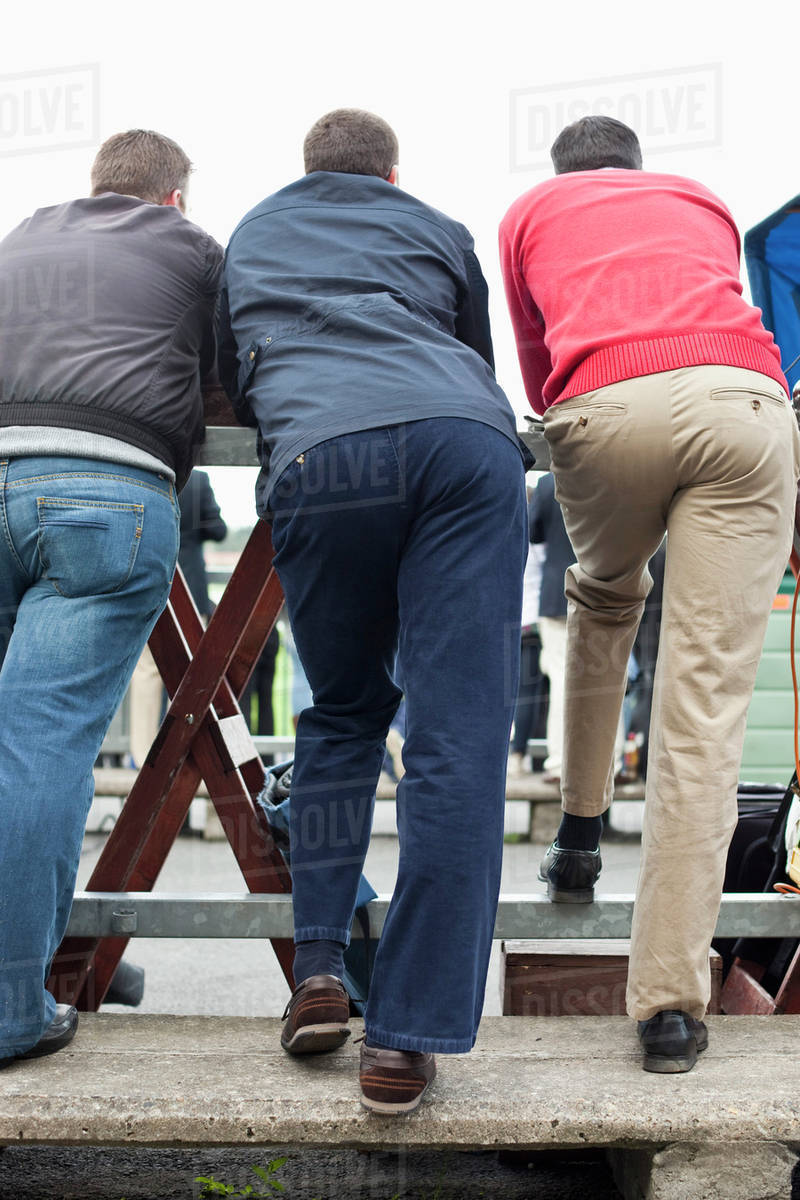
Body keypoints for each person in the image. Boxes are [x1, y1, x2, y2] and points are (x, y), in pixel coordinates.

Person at [219, 108, 528, 1112]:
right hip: (458, 445)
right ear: (391, 175)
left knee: (342, 715)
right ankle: (404, 1038)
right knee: (456, 737)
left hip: (322, 455)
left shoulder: (252, 233)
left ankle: (317, 968)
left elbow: (231, 382)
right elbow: (472, 354)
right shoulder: (434, 225)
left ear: (305, 169)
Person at [499, 115, 800, 1073]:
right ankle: (668, 1008)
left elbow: (538, 362)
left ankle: (579, 833)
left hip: (608, 406)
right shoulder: (702, 200)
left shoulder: (530, 211)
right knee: (703, 710)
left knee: (603, 598)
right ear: (636, 167)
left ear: (564, 172)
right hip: (746, 405)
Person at [0, 129, 222, 1066]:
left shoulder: (20, 239)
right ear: (172, 198)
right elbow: (231, 382)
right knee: (39, 746)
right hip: (106, 492)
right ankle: (14, 1009)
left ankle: (59, 956)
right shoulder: (191, 249)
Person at [529, 471, 577, 785]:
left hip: (556, 591)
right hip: (603, 588)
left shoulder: (548, 483)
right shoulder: (612, 471)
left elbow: (533, 533)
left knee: (561, 678)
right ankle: (609, 764)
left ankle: (561, 763)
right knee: (607, 678)